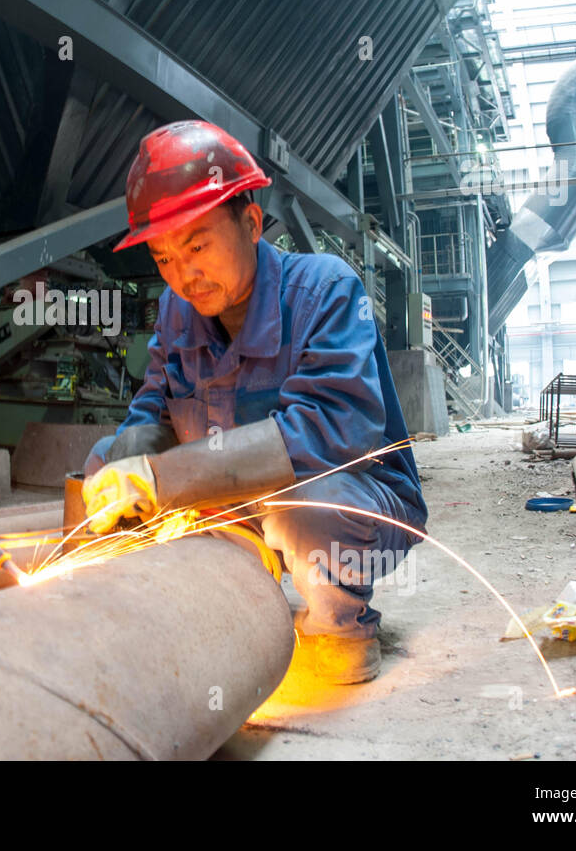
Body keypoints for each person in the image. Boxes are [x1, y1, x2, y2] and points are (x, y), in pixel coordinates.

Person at [81, 120, 428, 684]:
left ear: (251, 222)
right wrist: (131, 465)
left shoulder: (326, 290)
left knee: (303, 509)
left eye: (197, 245)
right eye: (164, 258)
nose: (184, 274)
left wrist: (165, 478)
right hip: (236, 503)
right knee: (104, 464)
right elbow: (153, 409)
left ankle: (340, 625)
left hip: (348, 501)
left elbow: (325, 430)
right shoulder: (176, 310)